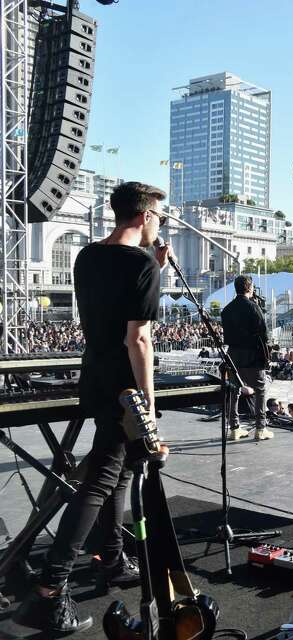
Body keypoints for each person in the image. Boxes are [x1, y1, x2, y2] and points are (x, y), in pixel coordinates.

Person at [14, 182, 172, 633]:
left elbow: (109, 302)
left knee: (116, 472)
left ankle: (111, 556)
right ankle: (50, 589)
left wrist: (153, 269)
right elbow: (138, 339)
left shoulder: (86, 256)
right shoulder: (142, 264)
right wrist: (148, 406)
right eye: (158, 217)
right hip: (126, 389)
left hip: (95, 380)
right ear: (144, 216)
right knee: (101, 478)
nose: (159, 225)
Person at [222, 275, 273, 441]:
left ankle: (234, 428)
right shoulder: (253, 307)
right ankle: (260, 428)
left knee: (234, 391)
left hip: (233, 355)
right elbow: (264, 334)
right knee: (260, 390)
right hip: (252, 355)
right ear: (249, 288)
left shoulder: (227, 309)